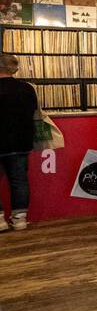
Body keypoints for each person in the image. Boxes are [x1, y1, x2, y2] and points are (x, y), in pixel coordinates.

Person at [0, 53, 38, 232]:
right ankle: (20, 219)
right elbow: (32, 112)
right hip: (21, 142)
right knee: (19, 180)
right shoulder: (27, 88)